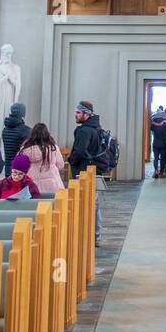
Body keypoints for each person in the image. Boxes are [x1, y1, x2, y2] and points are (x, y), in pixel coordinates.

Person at [68, 101, 103, 244]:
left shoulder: (84, 130)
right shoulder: (96, 128)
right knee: (94, 204)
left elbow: (80, 150)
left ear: (86, 114)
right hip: (92, 169)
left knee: (87, 204)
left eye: (78, 113)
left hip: (83, 171)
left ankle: (88, 236)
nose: (75, 115)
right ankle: (95, 235)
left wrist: (71, 159)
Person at [20, 122, 65, 193]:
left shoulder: (24, 150)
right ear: (47, 134)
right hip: (52, 184)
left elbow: (19, 167)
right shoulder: (53, 148)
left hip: (31, 185)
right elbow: (60, 165)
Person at [150, 106, 166, 178]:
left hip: (155, 142)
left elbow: (151, 129)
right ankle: (161, 171)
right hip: (164, 143)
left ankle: (156, 170)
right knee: (163, 158)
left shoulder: (153, 122)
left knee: (155, 158)